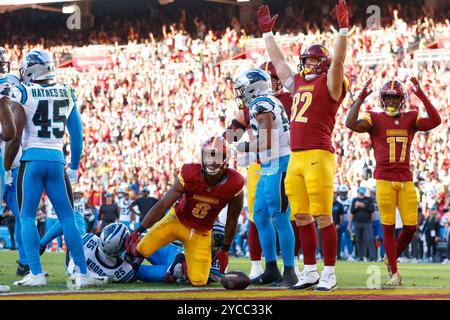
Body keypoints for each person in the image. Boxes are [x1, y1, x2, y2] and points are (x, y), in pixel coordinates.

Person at [258, 0, 350, 291]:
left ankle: (330, 273)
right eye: (306, 61)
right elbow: (281, 65)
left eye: (312, 61)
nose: (306, 65)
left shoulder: (332, 83)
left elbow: (338, 63)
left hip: (318, 155)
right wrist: (267, 35)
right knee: (300, 216)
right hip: (295, 158)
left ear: (321, 65)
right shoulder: (297, 82)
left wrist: (343, 31)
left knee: (323, 216)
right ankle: (309, 271)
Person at [7, 50, 108, 288]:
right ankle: (82, 272)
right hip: (56, 159)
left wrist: (9, 167)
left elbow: (13, 134)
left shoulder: (24, 92)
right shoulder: (68, 92)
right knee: (68, 216)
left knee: (28, 217)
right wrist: (73, 167)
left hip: (31, 160)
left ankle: (36, 273)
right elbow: (77, 137)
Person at [345, 77, 441, 285]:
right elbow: (350, 123)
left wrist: (422, 95)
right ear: (381, 99)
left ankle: (390, 259)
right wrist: (360, 98)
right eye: (387, 97)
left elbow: (435, 121)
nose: (390, 102)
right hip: (384, 178)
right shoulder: (374, 118)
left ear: (402, 100)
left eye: (395, 98)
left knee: (411, 227)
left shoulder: (411, 118)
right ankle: (394, 273)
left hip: (406, 178)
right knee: (388, 227)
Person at [125, 136, 244, 287]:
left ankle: (179, 261)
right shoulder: (189, 173)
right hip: (177, 220)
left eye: (218, 156)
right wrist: (139, 229)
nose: (213, 161)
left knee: (198, 280)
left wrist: (225, 250)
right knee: (142, 247)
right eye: (209, 155)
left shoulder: (235, 183)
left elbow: (232, 219)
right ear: (202, 156)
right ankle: (135, 263)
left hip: (202, 232)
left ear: (226, 159)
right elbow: (163, 205)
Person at [233, 68, 296, 287]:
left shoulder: (262, 104)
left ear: (253, 87)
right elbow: (238, 129)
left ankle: (290, 273)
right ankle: (271, 269)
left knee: (279, 216)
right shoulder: (260, 103)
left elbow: (267, 141)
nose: (240, 94)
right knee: (259, 215)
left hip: (279, 162)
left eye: (242, 89)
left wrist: (238, 147)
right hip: (269, 164)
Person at [0, 47, 24, 275]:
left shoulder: (15, 81)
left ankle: (26, 263)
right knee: (22, 216)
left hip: (10, 158)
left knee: (22, 216)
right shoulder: (17, 81)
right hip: (16, 158)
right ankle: (26, 264)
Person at [349, 187, 376, 261]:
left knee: (369, 239)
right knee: (358, 240)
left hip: (367, 222)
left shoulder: (369, 200)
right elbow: (352, 212)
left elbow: (372, 211)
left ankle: (372, 256)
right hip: (357, 222)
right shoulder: (355, 200)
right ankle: (360, 256)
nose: (361, 194)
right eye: (360, 192)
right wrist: (349, 224)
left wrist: (362, 205)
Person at [337, 185, 354, 260]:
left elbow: (352, 211)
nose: (343, 194)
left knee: (349, 238)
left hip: (348, 222)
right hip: (339, 222)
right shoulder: (337, 199)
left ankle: (350, 254)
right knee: (338, 238)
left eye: (344, 192)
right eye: (342, 192)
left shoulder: (351, 200)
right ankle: (339, 253)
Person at [332, 189, 344, 260]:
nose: (334, 197)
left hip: (336, 226)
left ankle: (338, 255)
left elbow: (342, 216)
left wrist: (339, 225)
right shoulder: (327, 203)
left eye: (335, 196)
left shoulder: (339, 205)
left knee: (337, 241)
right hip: (328, 226)